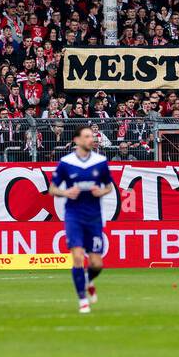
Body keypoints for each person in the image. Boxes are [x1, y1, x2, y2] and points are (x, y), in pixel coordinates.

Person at [49, 125, 115, 314]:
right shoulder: (66, 162)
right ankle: (82, 300)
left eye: (92, 137)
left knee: (96, 263)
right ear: (77, 140)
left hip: (94, 216)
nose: (91, 139)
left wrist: (101, 191)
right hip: (74, 215)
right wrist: (65, 192)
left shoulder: (100, 161)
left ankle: (88, 280)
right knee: (77, 257)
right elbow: (53, 189)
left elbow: (109, 187)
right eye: (87, 136)